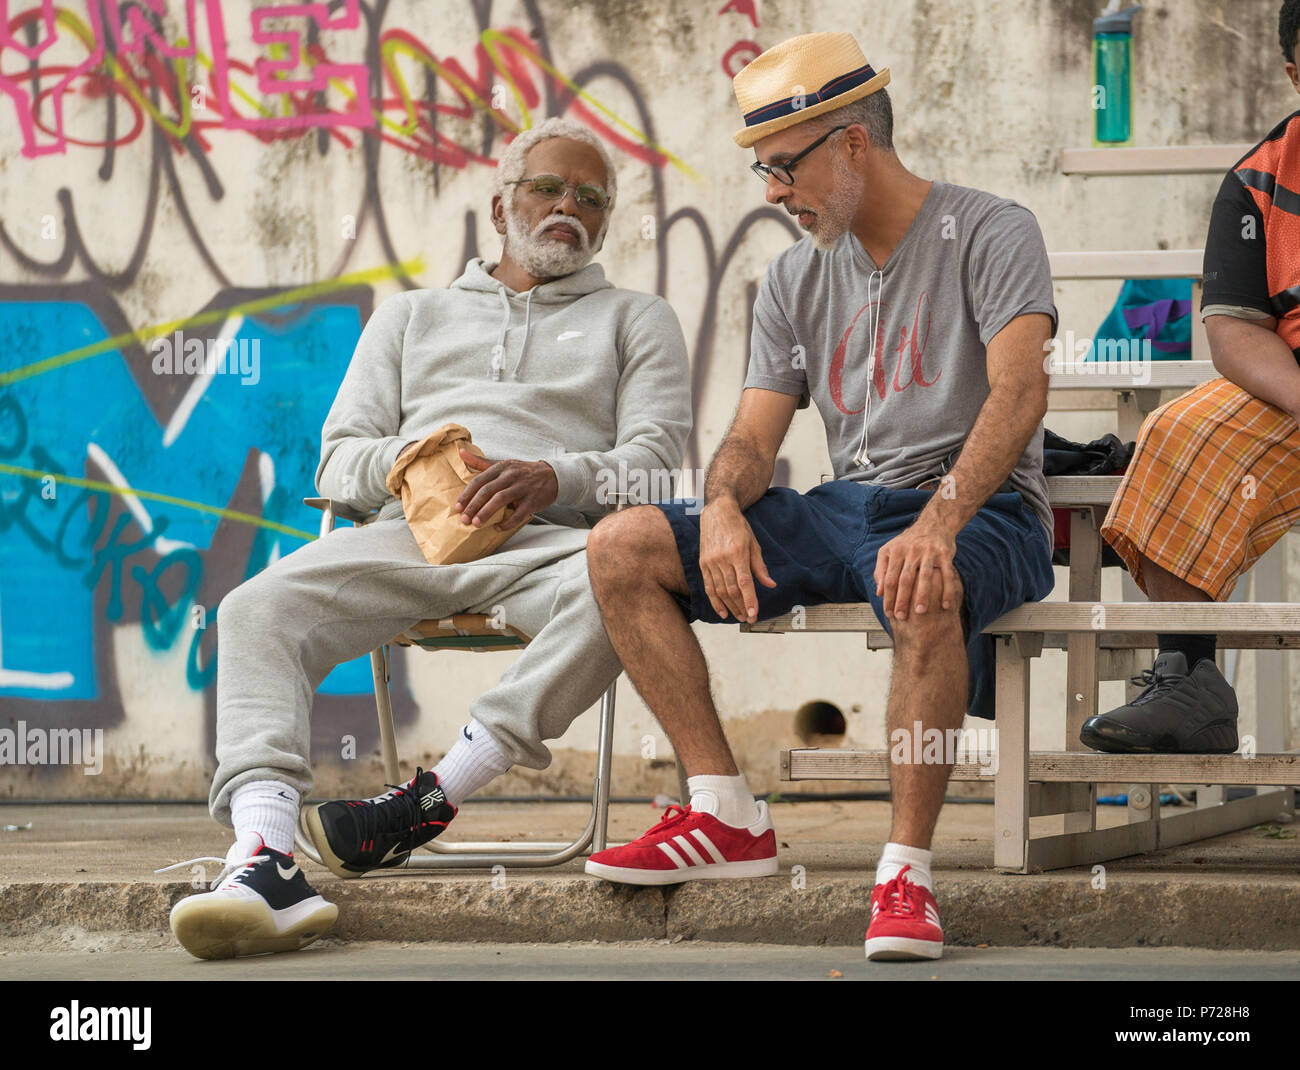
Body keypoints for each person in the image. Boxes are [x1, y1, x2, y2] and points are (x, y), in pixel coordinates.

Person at [161, 118, 691, 960]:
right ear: (501, 207)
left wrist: (550, 478)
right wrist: (416, 460)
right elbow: (338, 462)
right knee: (253, 610)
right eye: (547, 188)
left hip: (550, 548)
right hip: (408, 539)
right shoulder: (412, 315)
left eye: (591, 198)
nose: (569, 207)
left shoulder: (637, 318)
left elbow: (656, 469)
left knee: (635, 591)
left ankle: (428, 800)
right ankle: (264, 859)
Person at [583, 32, 1057, 962]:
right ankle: (725, 812)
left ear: (852, 145)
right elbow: (752, 439)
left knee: (919, 578)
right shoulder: (794, 277)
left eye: (783, 166)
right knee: (621, 545)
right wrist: (723, 508)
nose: (772, 192)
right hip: (845, 508)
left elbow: (1021, 391)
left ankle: (906, 874)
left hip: (986, 510)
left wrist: (938, 523)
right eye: (763, 170)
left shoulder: (992, 230)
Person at [1087, 1, 1300, 755]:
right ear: (1294, 73)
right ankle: (1190, 681)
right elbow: (1235, 331)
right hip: (1295, 386)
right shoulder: (1258, 179)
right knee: (1177, 429)